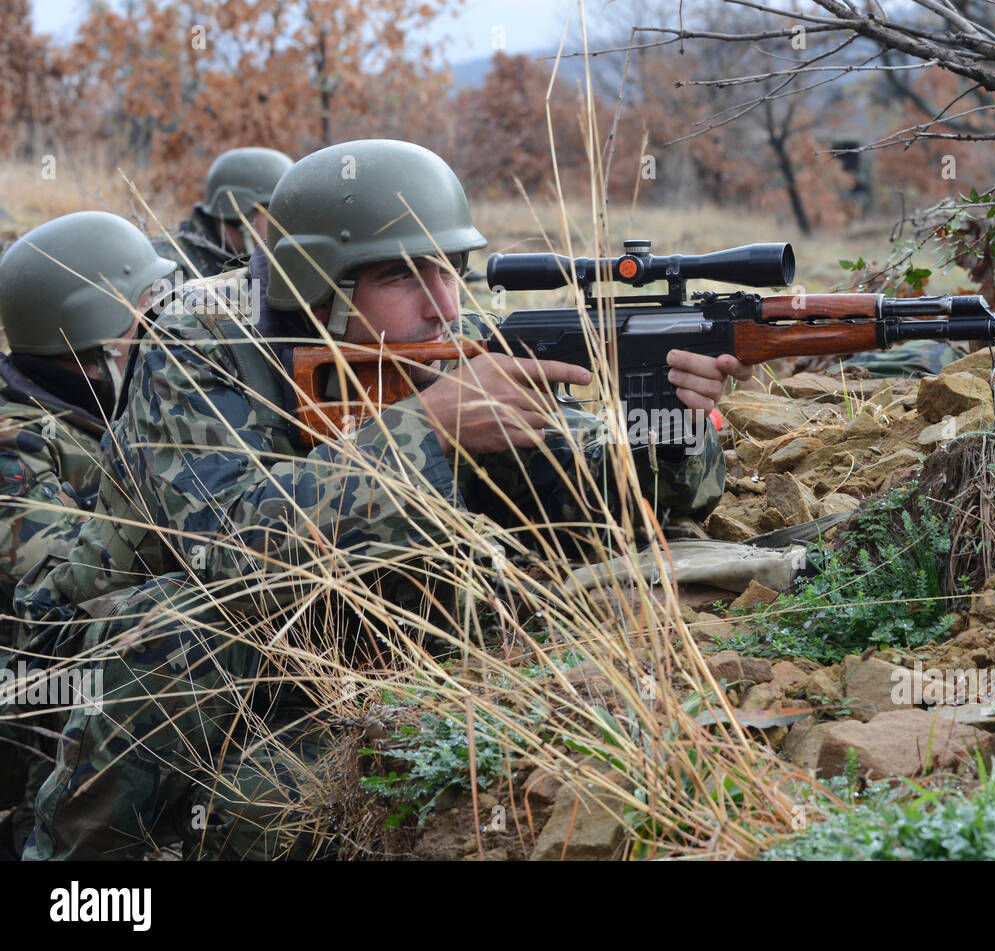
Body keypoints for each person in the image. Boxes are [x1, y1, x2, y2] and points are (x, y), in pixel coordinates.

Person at [15, 139, 754, 860]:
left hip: (302, 657)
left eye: (450, 269)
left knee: (278, 788)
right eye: (404, 275)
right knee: (185, 621)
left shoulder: (424, 346)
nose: (442, 305)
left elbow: (594, 490)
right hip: (107, 657)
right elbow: (233, 547)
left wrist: (669, 427)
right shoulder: (200, 339)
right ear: (320, 286)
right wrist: (429, 429)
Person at [0, 210, 175, 858]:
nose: (164, 335)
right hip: (32, 719)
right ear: (89, 337)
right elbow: (58, 594)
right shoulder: (15, 447)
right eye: (146, 318)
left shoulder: (95, 412)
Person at [153, 146, 293, 279]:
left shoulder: (279, 261)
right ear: (241, 215)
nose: (289, 222)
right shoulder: (169, 265)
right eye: (278, 209)